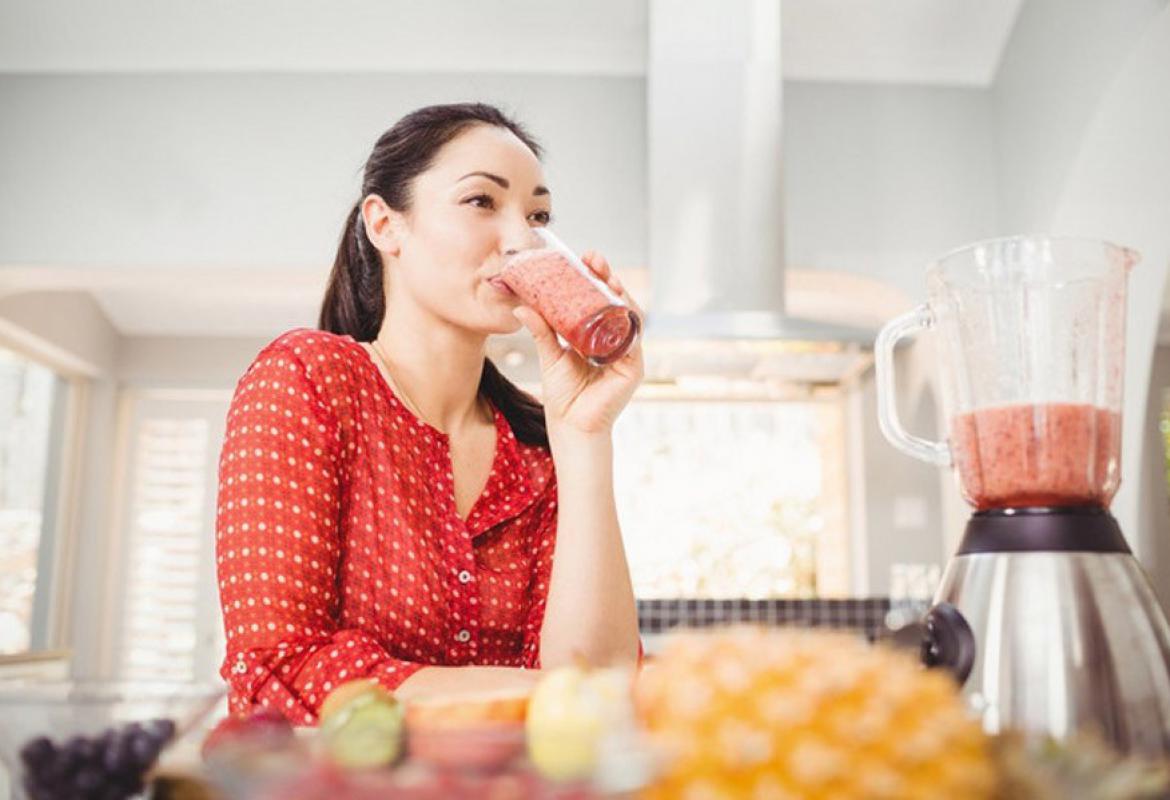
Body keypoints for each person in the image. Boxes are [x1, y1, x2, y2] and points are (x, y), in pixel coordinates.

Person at [215, 103, 643, 724]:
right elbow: (279, 669)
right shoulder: (309, 377)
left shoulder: (539, 447)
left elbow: (599, 688)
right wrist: (548, 698)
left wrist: (584, 437)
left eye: (539, 215)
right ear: (385, 225)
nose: (523, 238)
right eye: (481, 202)